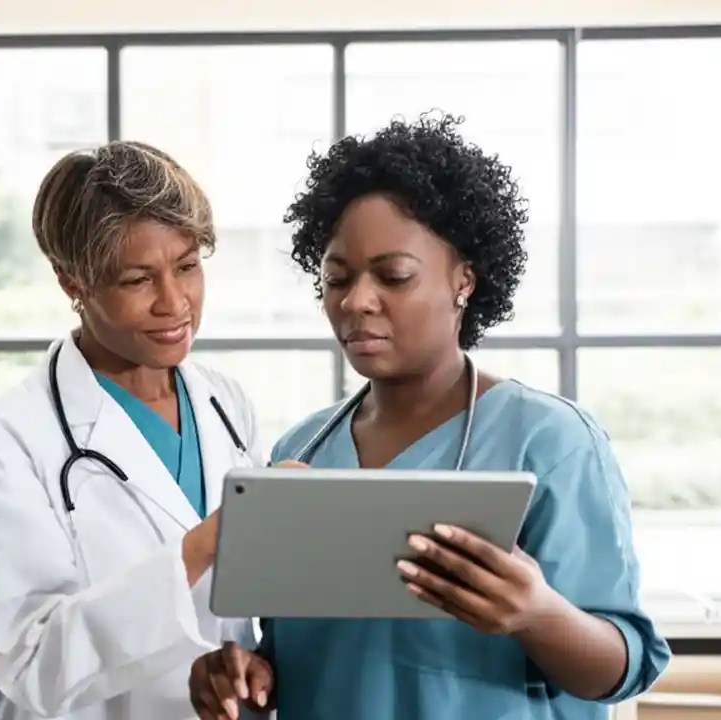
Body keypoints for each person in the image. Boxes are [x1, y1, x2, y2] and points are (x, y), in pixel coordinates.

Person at [188, 113, 671, 719]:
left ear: (463, 281)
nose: (357, 300)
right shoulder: (304, 449)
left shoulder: (550, 441)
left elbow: (622, 667)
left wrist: (538, 614)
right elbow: (304, 658)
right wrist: (242, 673)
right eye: (336, 278)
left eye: (393, 276)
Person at [0, 141, 268, 720]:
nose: (174, 303)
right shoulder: (9, 441)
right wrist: (204, 544)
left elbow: (236, 616)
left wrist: (244, 661)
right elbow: (35, 664)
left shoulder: (227, 404)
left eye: (187, 266)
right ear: (72, 282)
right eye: (137, 280)